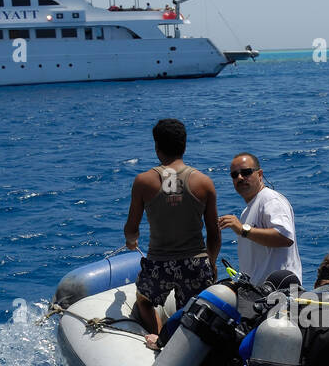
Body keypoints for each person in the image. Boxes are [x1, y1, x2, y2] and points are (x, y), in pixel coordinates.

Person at [124, 119, 220, 335]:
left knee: (144, 300)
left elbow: (131, 229)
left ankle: (159, 337)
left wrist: (131, 242)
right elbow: (214, 233)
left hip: (159, 265)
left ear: (156, 147)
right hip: (196, 264)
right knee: (192, 311)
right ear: (184, 146)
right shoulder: (204, 182)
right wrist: (211, 263)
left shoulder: (144, 181)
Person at [217, 153, 303, 284]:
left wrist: (243, 230)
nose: (240, 177)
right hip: (259, 294)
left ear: (260, 174)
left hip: (279, 293)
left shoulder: (270, 200)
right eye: (234, 175)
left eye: (246, 172)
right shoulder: (247, 211)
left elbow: (285, 237)